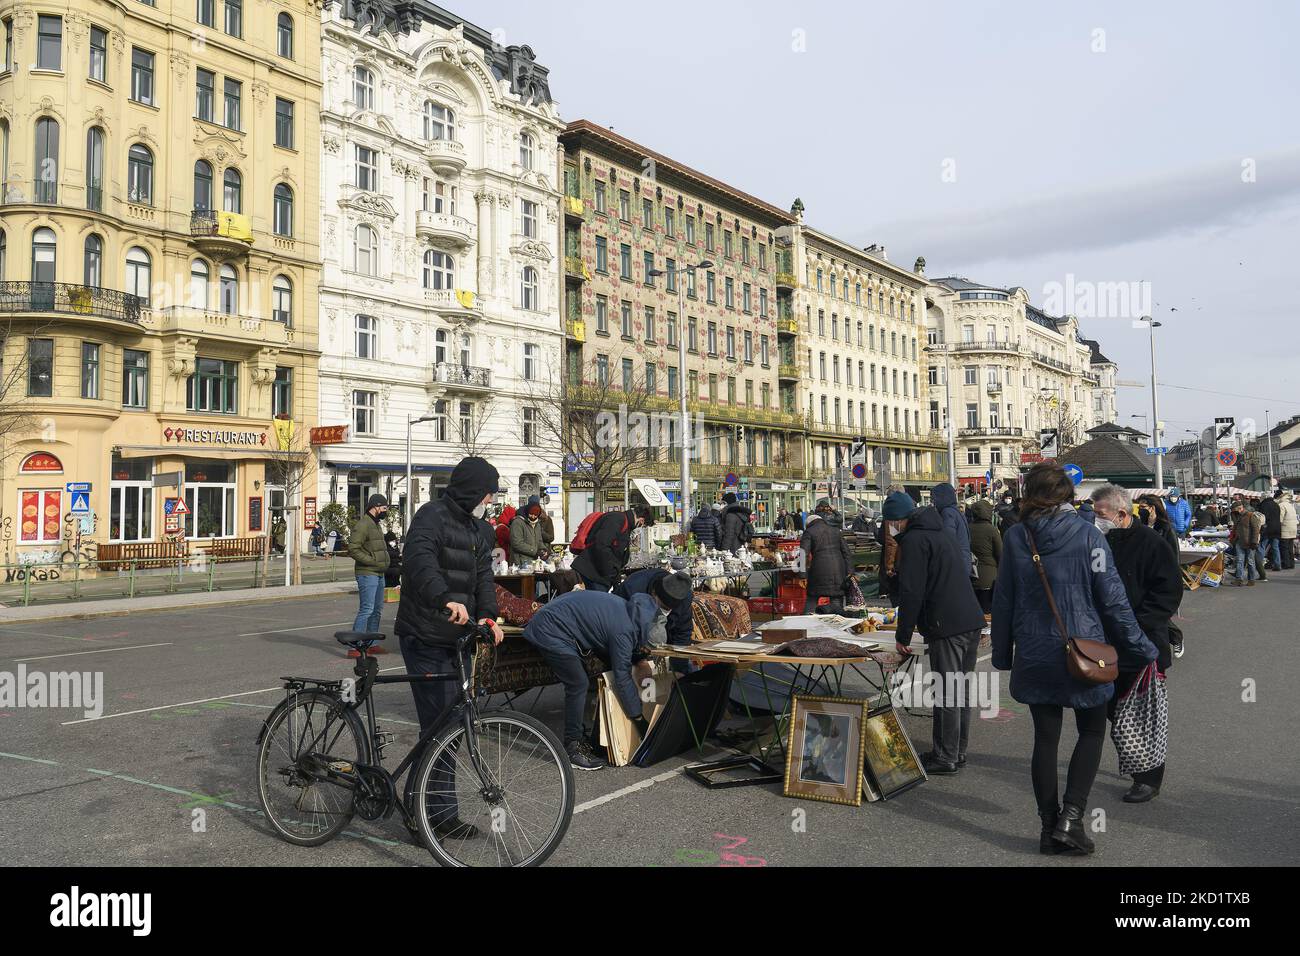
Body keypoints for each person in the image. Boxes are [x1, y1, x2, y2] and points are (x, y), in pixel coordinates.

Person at [991, 464, 1156, 855]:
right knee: (1091, 731)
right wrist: (1141, 647)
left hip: (1033, 650)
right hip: (1086, 651)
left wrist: (1002, 653)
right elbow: (1113, 600)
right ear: (1068, 495)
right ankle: (1071, 818)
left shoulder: (1016, 536)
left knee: (1045, 739)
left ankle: (1049, 826)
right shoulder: (1089, 536)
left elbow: (1003, 599)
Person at [394, 457, 504, 838]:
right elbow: (418, 561)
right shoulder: (431, 516)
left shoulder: (481, 529)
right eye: (487, 493)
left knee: (452, 729)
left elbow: (484, 576)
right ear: (473, 490)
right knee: (439, 728)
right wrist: (444, 599)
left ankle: (433, 813)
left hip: (458, 640)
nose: (490, 500)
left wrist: (488, 615)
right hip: (425, 634)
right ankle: (429, 817)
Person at [524, 584, 683, 770]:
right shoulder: (624, 632)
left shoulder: (634, 613)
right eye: (647, 649)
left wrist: (638, 660)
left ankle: (582, 738)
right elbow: (622, 676)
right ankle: (572, 747)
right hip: (550, 628)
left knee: (581, 678)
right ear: (645, 634)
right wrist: (639, 719)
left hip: (556, 619)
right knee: (578, 683)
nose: (644, 652)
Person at [1091, 484, 1183, 802]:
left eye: (1099, 514)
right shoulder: (1096, 543)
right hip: (1103, 643)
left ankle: (1148, 778)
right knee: (1112, 708)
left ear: (1120, 513)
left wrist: (1137, 627)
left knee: (1142, 714)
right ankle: (1136, 761)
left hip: (1142, 643)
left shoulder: (1152, 544)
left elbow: (1168, 592)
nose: (1095, 519)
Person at [891, 496, 987, 775]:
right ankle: (956, 751)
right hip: (970, 619)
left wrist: (903, 635)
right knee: (961, 690)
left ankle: (945, 757)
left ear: (898, 519)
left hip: (947, 624)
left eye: (891, 522)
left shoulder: (913, 541)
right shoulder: (941, 531)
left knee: (947, 692)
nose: (890, 527)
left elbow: (912, 591)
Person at [617, 569, 694, 672]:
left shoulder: (683, 598)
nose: (664, 611)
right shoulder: (631, 589)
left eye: (668, 609)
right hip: (627, 637)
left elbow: (682, 634)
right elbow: (619, 632)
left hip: (661, 638)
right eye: (662, 606)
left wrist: (678, 670)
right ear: (654, 593)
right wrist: (640, 661)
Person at [572, 505, 654, 591]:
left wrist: (615, 578)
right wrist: (610, 573)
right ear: (641, 520)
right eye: (643, 526)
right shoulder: (617, 519)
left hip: (598, 573)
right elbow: (601, 545)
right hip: (594, 573)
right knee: (599, 602)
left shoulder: (624, 522)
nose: (640, 528)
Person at [800, 499, 854, 614]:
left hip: (818, 571)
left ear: (809, 524)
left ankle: (805, 625)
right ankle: (837, 627)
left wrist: (802, 575)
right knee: (836, 602)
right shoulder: (835, 531)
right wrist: (849, 572)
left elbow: (803, 554)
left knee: (812, 600)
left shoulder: (809, 532)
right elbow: (846, 553)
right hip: (838, 571)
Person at [347, 494, 391, 634]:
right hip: (367, 574)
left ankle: (371, 644)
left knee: (377, 610)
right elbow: (353, 549)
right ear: (376, 507)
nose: (386, 511)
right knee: (367, 609)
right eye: (384, 508)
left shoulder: (376, 524)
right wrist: (372, 561)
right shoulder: (363, 524)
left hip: (379, 573)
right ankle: (356, 643)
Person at [876, 490, 915, 602]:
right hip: (916, 563)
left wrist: (889, 567)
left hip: (900, 565)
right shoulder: (914, 516)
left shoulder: (894, 520)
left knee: (898, 598)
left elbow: (891, 543)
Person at [931, 483, 973, 583]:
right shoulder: (956, 511)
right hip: (963, 561)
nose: (933, 502)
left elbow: (948, 540)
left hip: (956, 564)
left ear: (941, 497)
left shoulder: (947, 512)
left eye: (934, 498)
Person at [968, 499, 1002, 615]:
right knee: (988, 615)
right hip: (989, 579)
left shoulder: (968, 529)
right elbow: (1000, 554)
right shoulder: (992, 530)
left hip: (971, 576)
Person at [509, 497, 551, 564]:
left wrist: (544, 550)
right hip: (520, 562)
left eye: (536, 515)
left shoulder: (537, 524)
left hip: (533, 562)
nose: (533, 516)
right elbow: (517, 543)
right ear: (527, 511)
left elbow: (539, 541)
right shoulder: (517, 522)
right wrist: (535, 551)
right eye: (531, 514)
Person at [1230, 501, 1261, 586]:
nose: (1233, 512)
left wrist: (1254, 542)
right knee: (1240, 561)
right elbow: (1236, 528)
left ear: (1240, 508)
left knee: (1250, 561)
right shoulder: (1238, 516)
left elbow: (1256, 530)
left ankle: (1251, 579)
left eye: (1234, 510)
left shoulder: (1250, 515)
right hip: (1239, 542)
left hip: (1249, 542)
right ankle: (1239, 579)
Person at [1255, 491, 1282, 572]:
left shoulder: (1264, 505)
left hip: (1267, 529)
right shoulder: (1276, 504)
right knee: (1275, 547)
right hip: (1277, 528)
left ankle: (1259, 565)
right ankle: (1277, 565)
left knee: (1262, 546)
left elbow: (1262, 518)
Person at [1278, 490, 1297, 570]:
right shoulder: (1290, 505)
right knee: (1290, 547)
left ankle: (1286, 564)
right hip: (1293, 528)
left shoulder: (1281, 505)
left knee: (1284, 547)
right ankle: (1292, 563)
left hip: (1285, 528)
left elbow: (1281, 518)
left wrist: (1278, 525)